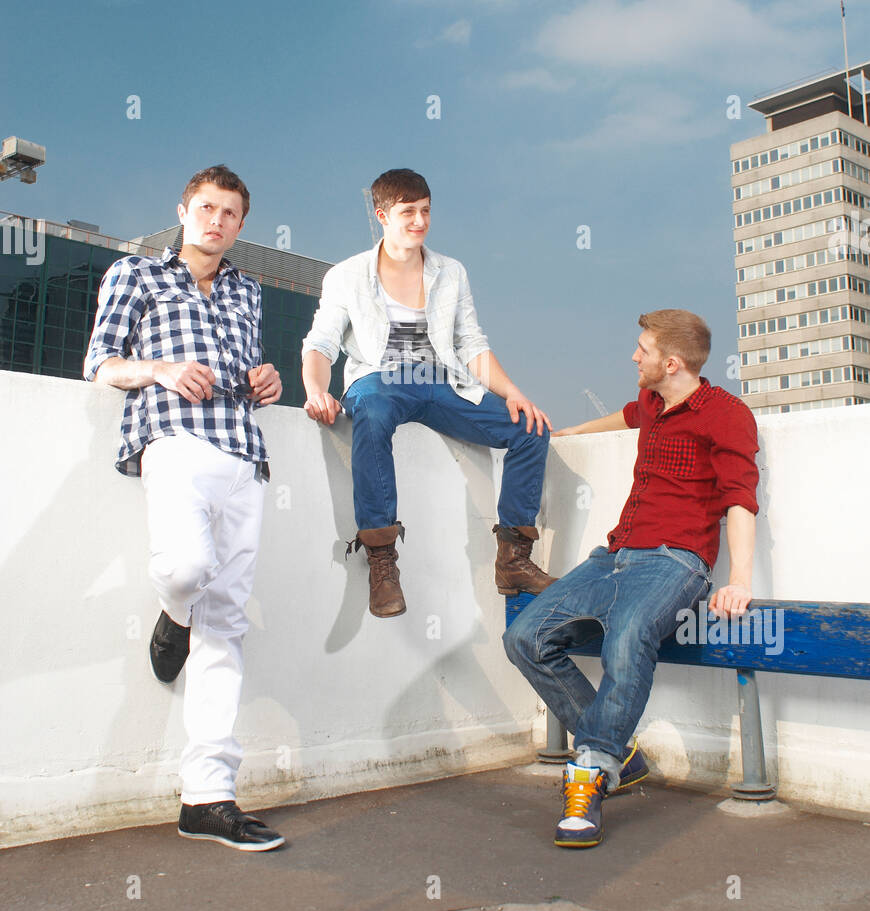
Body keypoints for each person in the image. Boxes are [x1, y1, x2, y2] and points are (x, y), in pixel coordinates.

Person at [84, 165, 286, 852]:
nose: (217, 221)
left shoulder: (247, 291)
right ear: (183, 210)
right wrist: (161, 370)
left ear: (240, 225)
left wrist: (267, 380)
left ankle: (207, 797)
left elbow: (244, 371)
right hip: (171, 439)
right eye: (206, 207)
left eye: (231, 213)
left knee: (226, 623)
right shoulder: (136, 276)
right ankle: (174, 616)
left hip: (242, 454)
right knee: (186, 568)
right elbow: (102, 362)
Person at [503, 309, 759, 848]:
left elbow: (740, 498)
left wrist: (739, 578)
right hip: (613, 555)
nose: (633, 357)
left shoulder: (727, 414)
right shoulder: (652, 403)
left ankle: (590, 772)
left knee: (628, 636)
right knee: (525, 638)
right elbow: (623, 417)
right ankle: (620, 752)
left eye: (642, 350)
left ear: (671, 362)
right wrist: (570, 433)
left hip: (677, 562)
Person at [301, 167, 554, 616]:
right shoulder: (347, 275)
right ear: (382, 214)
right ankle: (382, 560)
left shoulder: (450, 272)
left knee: (529, 429)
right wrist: (316, 390)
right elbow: (321, 343)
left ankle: (513, 559)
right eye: (407, 212)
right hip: (379, 379)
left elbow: (471, 343)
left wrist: (515, 393)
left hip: (440, 381)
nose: (419, 221)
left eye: (425, 211)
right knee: (373, 415)